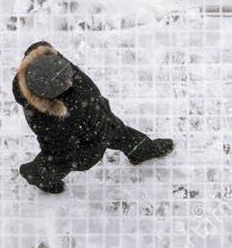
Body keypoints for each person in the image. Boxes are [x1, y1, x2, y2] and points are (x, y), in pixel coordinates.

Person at [12, 41, 174, 194]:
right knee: (56, 162)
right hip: (87, 139)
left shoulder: (44, 60)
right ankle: (38, 177)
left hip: (100, 115)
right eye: (67, 82)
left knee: (123, 134)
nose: (71, 76)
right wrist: (86, 154)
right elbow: (58, 150)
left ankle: (143, 151)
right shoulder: (50, 121)